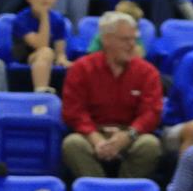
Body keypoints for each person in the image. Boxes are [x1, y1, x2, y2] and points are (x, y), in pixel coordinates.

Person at [60, 11, 164, 180]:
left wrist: (128, 136)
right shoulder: (81, 68)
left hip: (130, 133)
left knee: (150, 145)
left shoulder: (148, 72)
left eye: (134, 39)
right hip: (92, 132)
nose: (132, 45)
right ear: (106, 40)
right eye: (125, 40)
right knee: (72, 144)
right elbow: (73, 111)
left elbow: (151, 113)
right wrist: (96, 139)